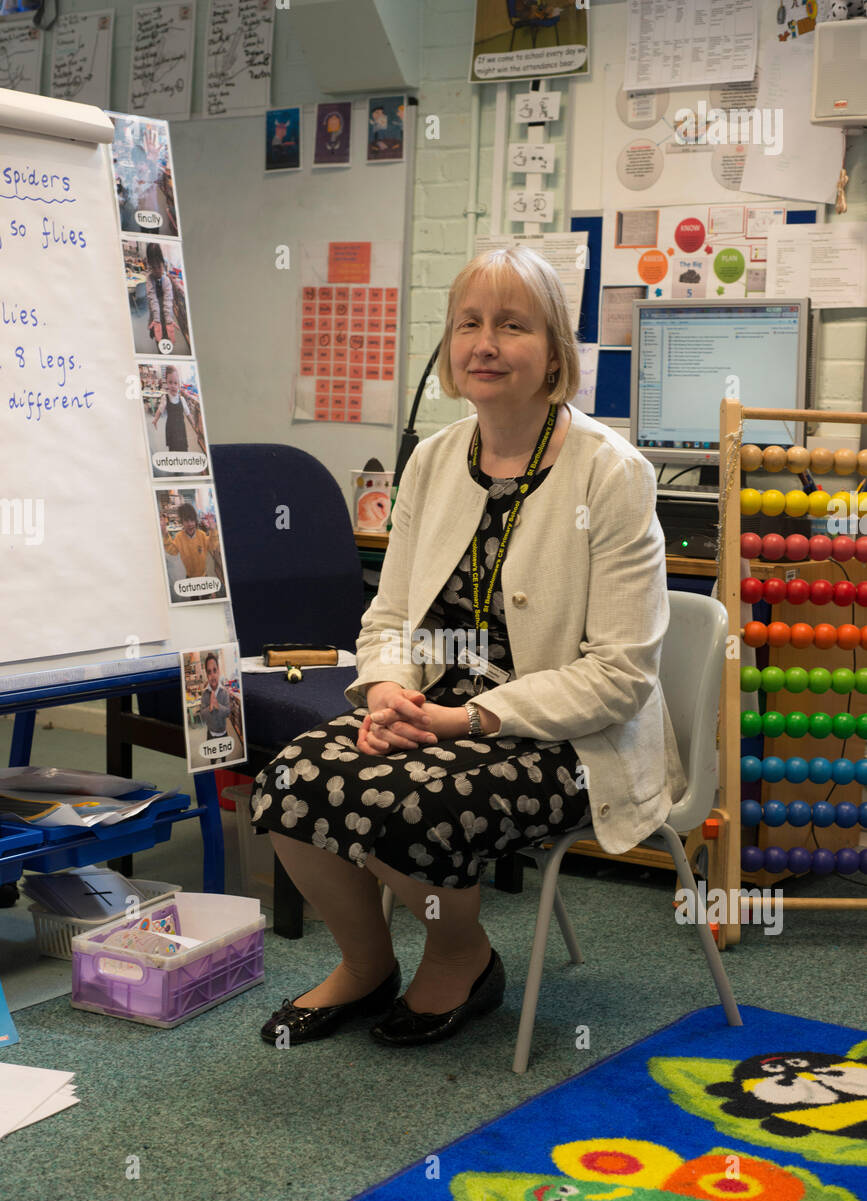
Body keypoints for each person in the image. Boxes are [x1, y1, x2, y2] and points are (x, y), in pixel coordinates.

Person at [250, 246, 686, 1051]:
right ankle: (366, 963)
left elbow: (619, 675)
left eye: (512, 326)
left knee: (415, 804)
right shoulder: (433, 460)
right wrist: (385, 692)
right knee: (291, 781)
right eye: (468, 325)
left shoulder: (611, 474)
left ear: (553, 352)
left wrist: (467, 722)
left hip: (562, 737)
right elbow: (388, 616)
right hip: (428, 712)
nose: (484, 343)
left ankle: (461, 956)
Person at [152, 365, 204, 454]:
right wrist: (155, 420)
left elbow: (188, 414)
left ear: (179, 384)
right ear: (166, 383)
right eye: (170, 382)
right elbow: (160, 411)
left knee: (183, 448)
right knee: (173, 449)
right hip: (171, 429)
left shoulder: (182, 400)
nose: (173, 386)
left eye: (175, 383)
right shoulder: (165, 398)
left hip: (180, 430)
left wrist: (195, 426)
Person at [160, 500, 220, 578]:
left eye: (192, 520)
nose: (190, 524)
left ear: (195, 521)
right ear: (182, 522)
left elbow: (212, 546)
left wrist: (213, 530)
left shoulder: (201, 535)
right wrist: (164, 533)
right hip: (188, 576)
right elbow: (172, 551)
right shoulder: (179, 537)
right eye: (186, 521)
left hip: (203, 575)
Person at [145, 241, 176, 347]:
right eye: (153, 267)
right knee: (158, 335)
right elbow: (152, 300)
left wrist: (168, 320)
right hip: (155, 314)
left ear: (163, 263)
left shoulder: (166, 280)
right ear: (149, 265)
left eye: (159, 266)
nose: (157, 270)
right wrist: (157, 320)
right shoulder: (149, 279)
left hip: (165, 314)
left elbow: (168, 300)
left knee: (167, 336)